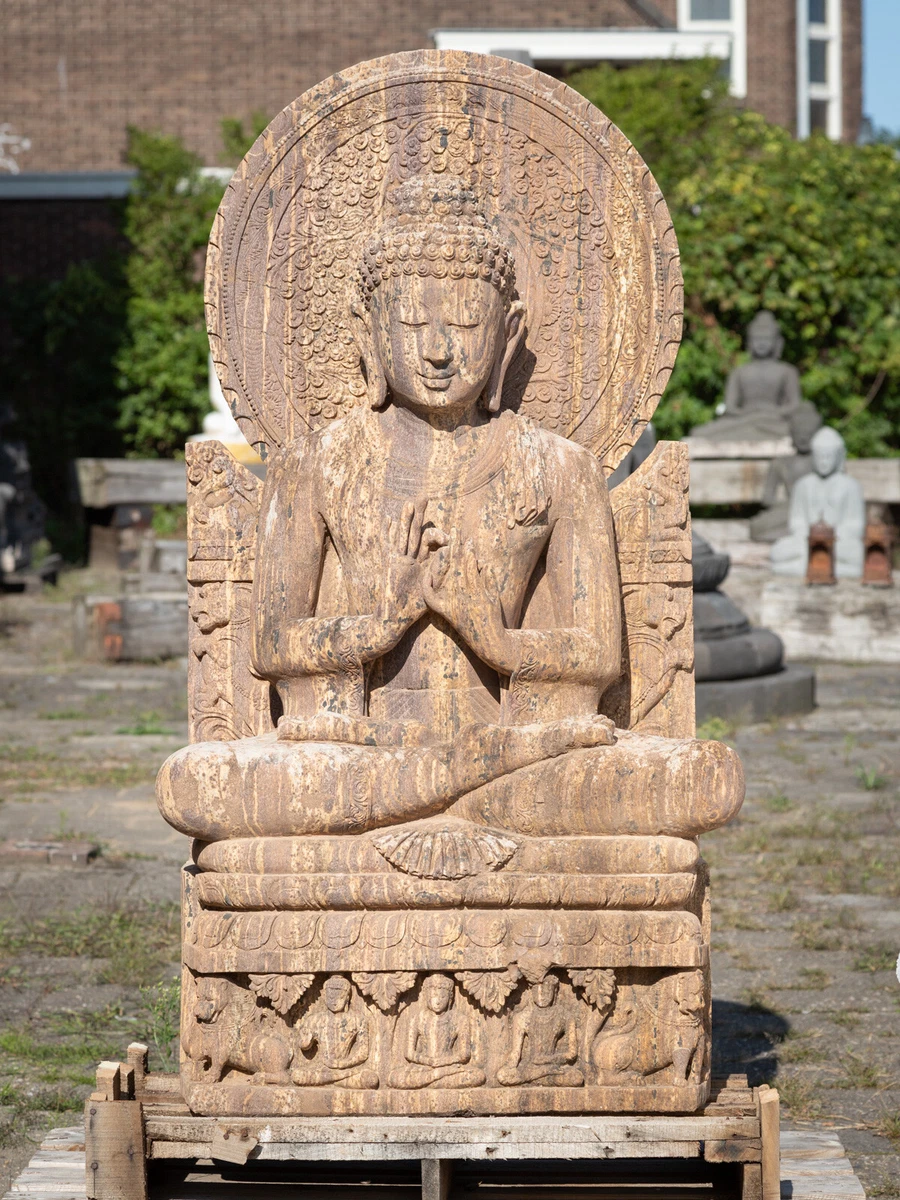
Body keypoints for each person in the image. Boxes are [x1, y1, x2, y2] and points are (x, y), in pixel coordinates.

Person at [157, 177, 742, 844]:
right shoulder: (314, 465)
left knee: (703, 777)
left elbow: (598, 655)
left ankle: (434, 792)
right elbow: (272, 644)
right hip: (352, 750)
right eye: (410, 325)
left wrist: (491, 634)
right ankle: (455, 789)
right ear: (368, 335)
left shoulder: (559, 468)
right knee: (195, 783)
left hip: (523, 748)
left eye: (466, 324)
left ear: (509, 334)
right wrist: (380, 621)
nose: (438, 350)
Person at [771, 425, 865, 578]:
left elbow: (856, 525)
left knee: (859, 554)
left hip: (838, 542)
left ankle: (806, 566)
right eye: (820, 456)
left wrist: (831, 535)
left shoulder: (851, 486)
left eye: (828, 456)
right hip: (807, 541)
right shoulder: (803, 484)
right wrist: (810, 535)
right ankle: (828, 567)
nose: (824, 462)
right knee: (778, 551)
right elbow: (796, 521)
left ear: (838, 457)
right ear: (813, 457)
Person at [388, 974, 485, 1089]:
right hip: (424, 1067)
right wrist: (429, 1061)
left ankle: (430, 1080)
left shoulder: (459, 1019)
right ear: (426, 996)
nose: (438, 1001)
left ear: (450, 998)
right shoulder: (417, 1019)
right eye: (434, 996)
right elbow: (409, 1053)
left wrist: (443, 1062)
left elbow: (464, 1054)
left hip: (448, 1066)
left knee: (478, 1076)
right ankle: (437, 1079)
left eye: (442, 997)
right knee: (395, 1077)